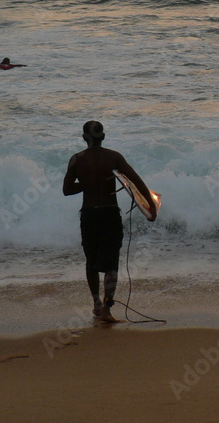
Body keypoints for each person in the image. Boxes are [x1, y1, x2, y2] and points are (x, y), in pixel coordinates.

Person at [63, 120, 156, 323]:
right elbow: (136, 181)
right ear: (103, 137)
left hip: (89, 214)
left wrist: (87, 183)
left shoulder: (76, 160)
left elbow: (67, 190)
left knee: (91, 261)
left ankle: (96, 303)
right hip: (109, 214)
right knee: (111, 263)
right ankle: (107, 307)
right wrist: (151, 205)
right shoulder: (114, 157)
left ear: (84, 138)